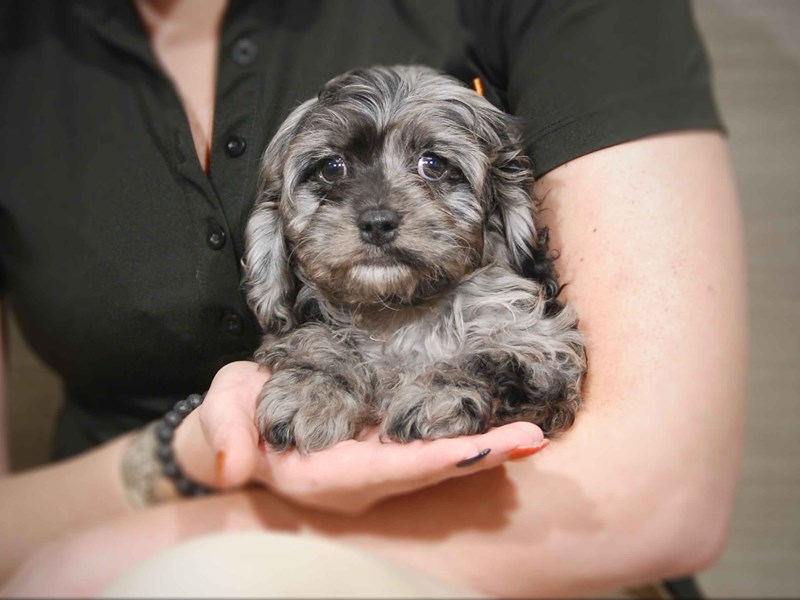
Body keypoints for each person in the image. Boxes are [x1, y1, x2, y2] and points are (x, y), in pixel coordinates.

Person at [0, 0, 747, 596]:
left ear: (507, 218)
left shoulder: (512, 322)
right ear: (275, 247)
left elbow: (660, 493)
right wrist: (185, 452)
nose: (380, 209)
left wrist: (197, 555)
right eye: (328, 172)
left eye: (432, 165)